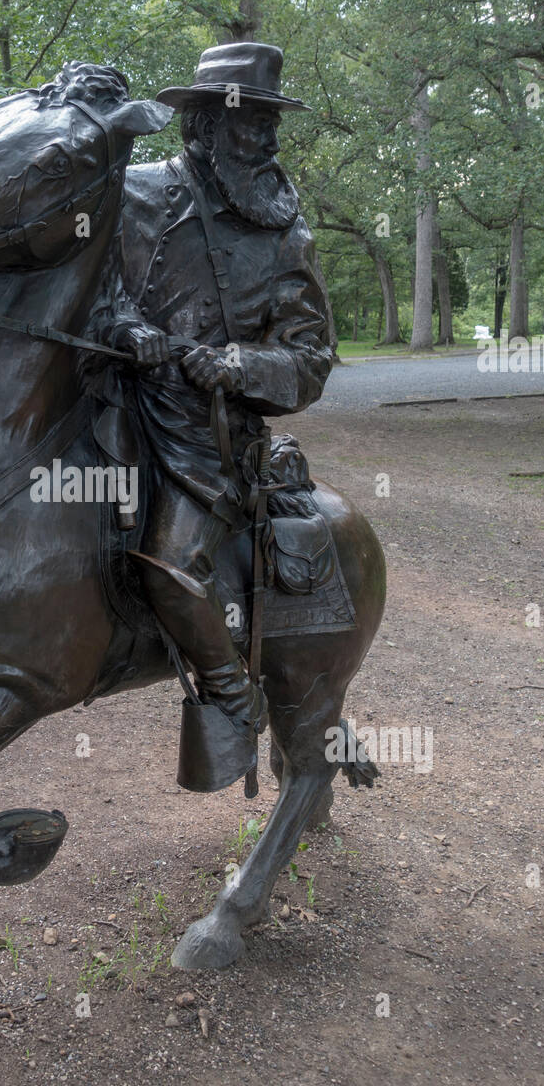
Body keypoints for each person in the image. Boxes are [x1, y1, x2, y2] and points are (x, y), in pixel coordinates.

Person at [87, 43, 334, 751]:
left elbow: (308, 359)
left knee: (171, 565)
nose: (265, 138)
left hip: (202, 435)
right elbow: (85, 285)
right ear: (201, 127)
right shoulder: (125, 192)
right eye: (247, 122)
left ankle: (231, 696)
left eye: (268, 122)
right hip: (99, 400)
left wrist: (235, 362)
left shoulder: (285, 233)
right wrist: (125, 324)